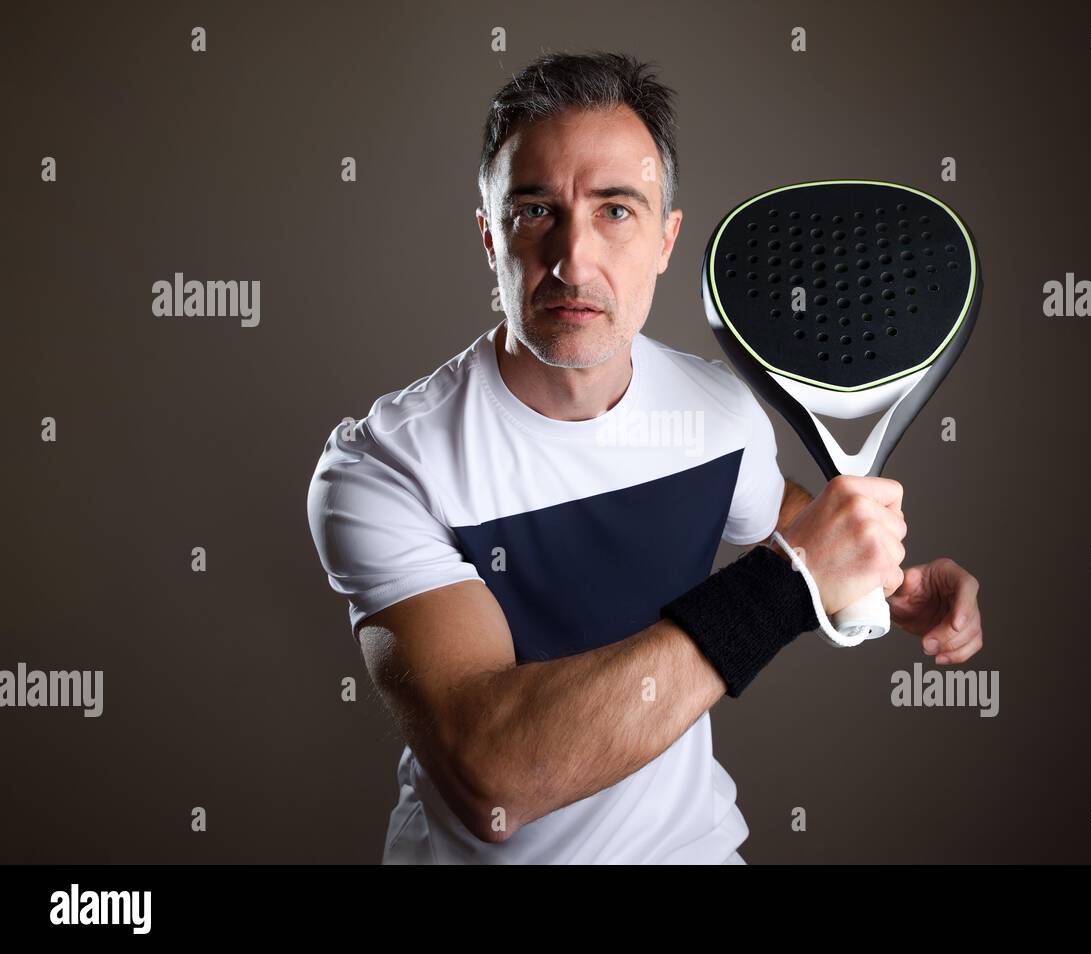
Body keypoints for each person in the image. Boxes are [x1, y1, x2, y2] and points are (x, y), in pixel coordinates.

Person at [305, 50, 984, 864]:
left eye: (616, 211)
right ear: (489, 236)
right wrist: (789, 581)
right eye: (533, 212)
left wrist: (890, 582)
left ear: (667, 239)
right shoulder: (383, 467)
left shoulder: (720, 413)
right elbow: (494, 775)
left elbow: (792, 522)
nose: (573, 261)